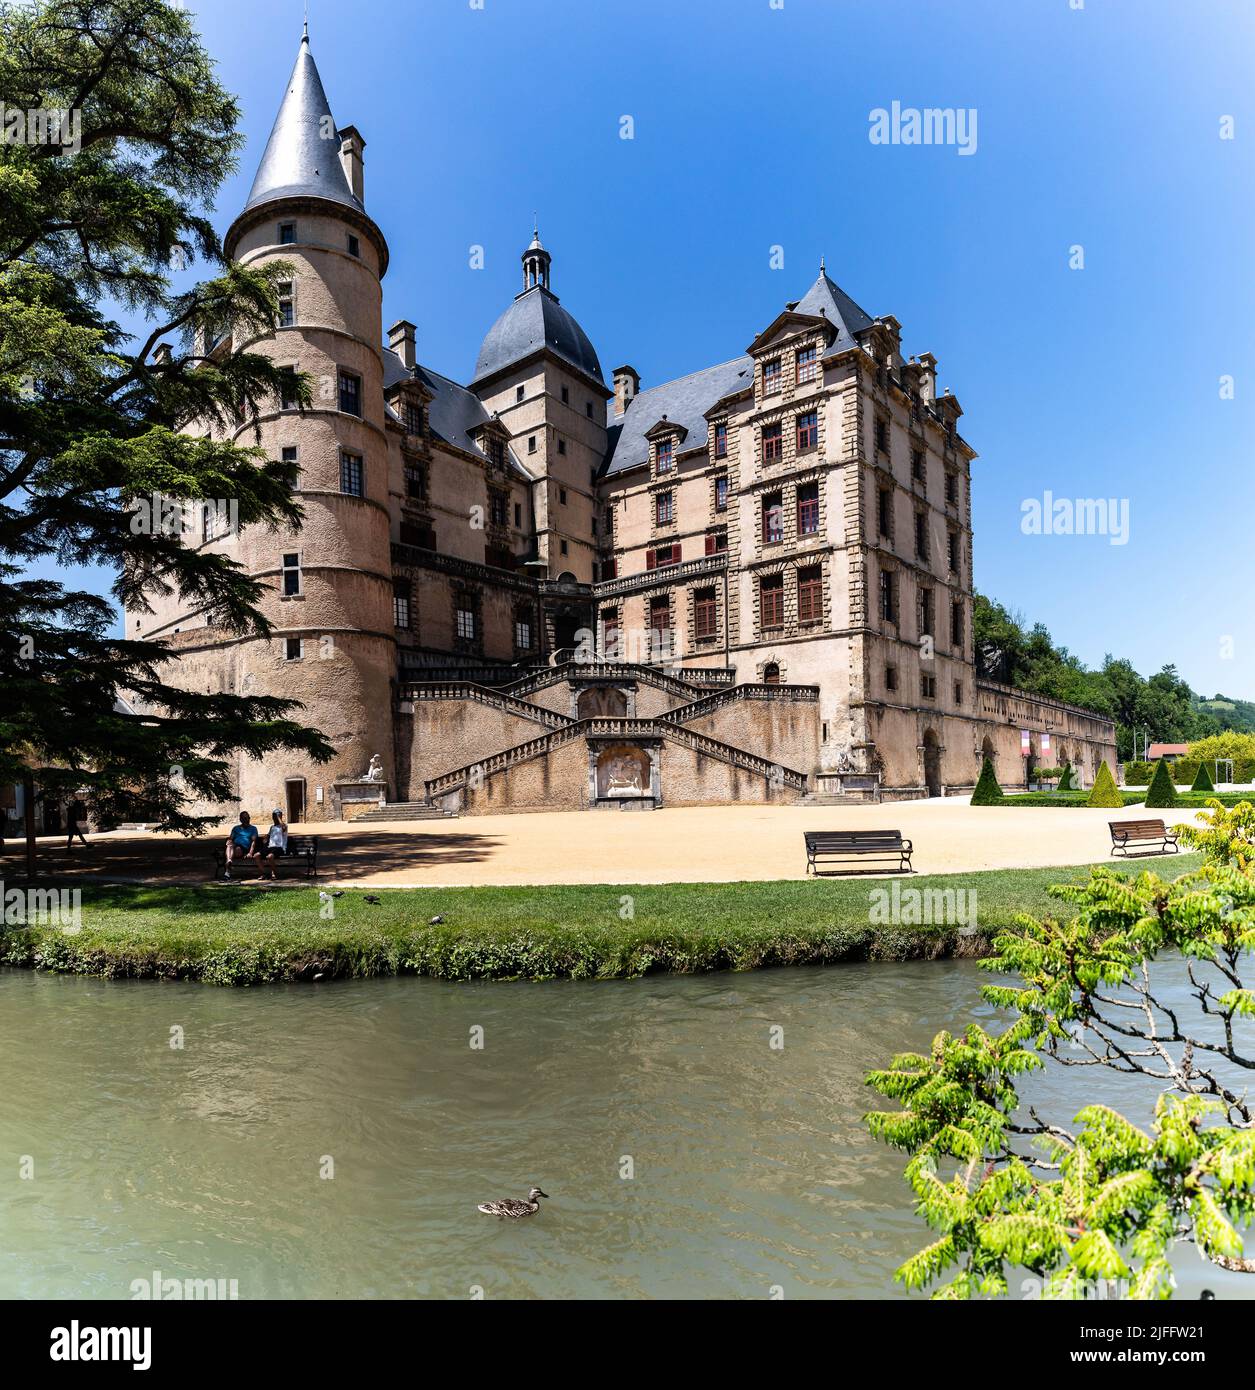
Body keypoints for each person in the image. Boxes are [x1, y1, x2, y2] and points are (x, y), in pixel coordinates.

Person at [223, 811, 260, 878]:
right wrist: (229, 840)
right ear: (240, 820)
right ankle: (229, 861)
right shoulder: (236, 828)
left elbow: (253, 842)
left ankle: (228, 866)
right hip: (234, 847)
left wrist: (250, 853)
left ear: (249, 818)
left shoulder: (253, 829)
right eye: (243, 818)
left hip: (244, 849)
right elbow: (231, 838)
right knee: (230, 844)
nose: (246, 820)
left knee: (236, 848)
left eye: (247, 818)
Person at [262, 809, 288, 881]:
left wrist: (279, 817)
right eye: (274, 816)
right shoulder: (272, 827)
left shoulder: (284, 826)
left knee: (270, 856)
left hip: (280, 848)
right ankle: (263, 873)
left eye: (278, 816)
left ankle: (275, 874)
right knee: (256, 855)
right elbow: (268, 836)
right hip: (271, 847)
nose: (275, 818)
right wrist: (265, 838)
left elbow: (283, 828)